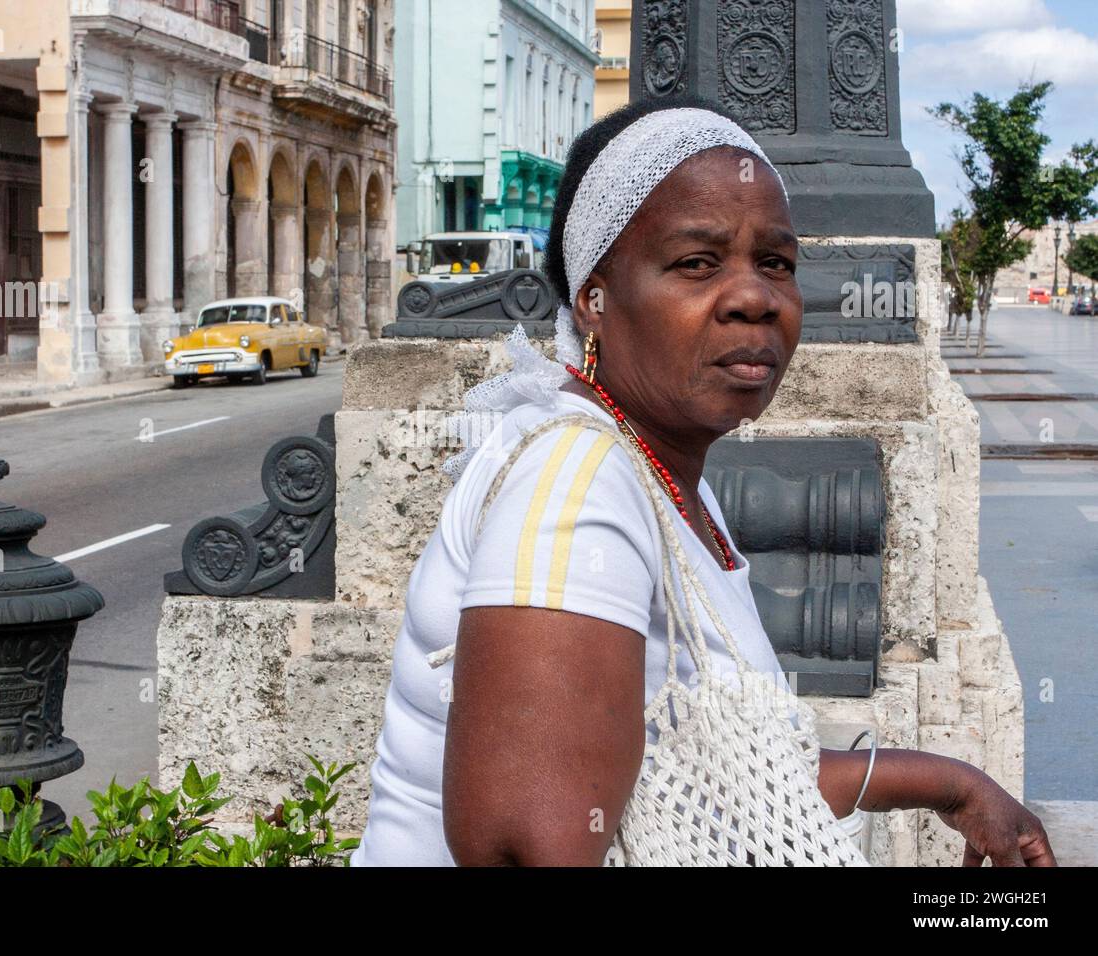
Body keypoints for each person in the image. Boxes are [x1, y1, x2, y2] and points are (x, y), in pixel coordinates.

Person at [349, 97, 1055, 867]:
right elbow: (525, 850)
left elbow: (710, 779)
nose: (755, 297)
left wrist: (950, 785)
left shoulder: (650, 466)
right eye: (696, 262)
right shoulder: (574, 486)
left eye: (776, 263)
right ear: (595, 299)